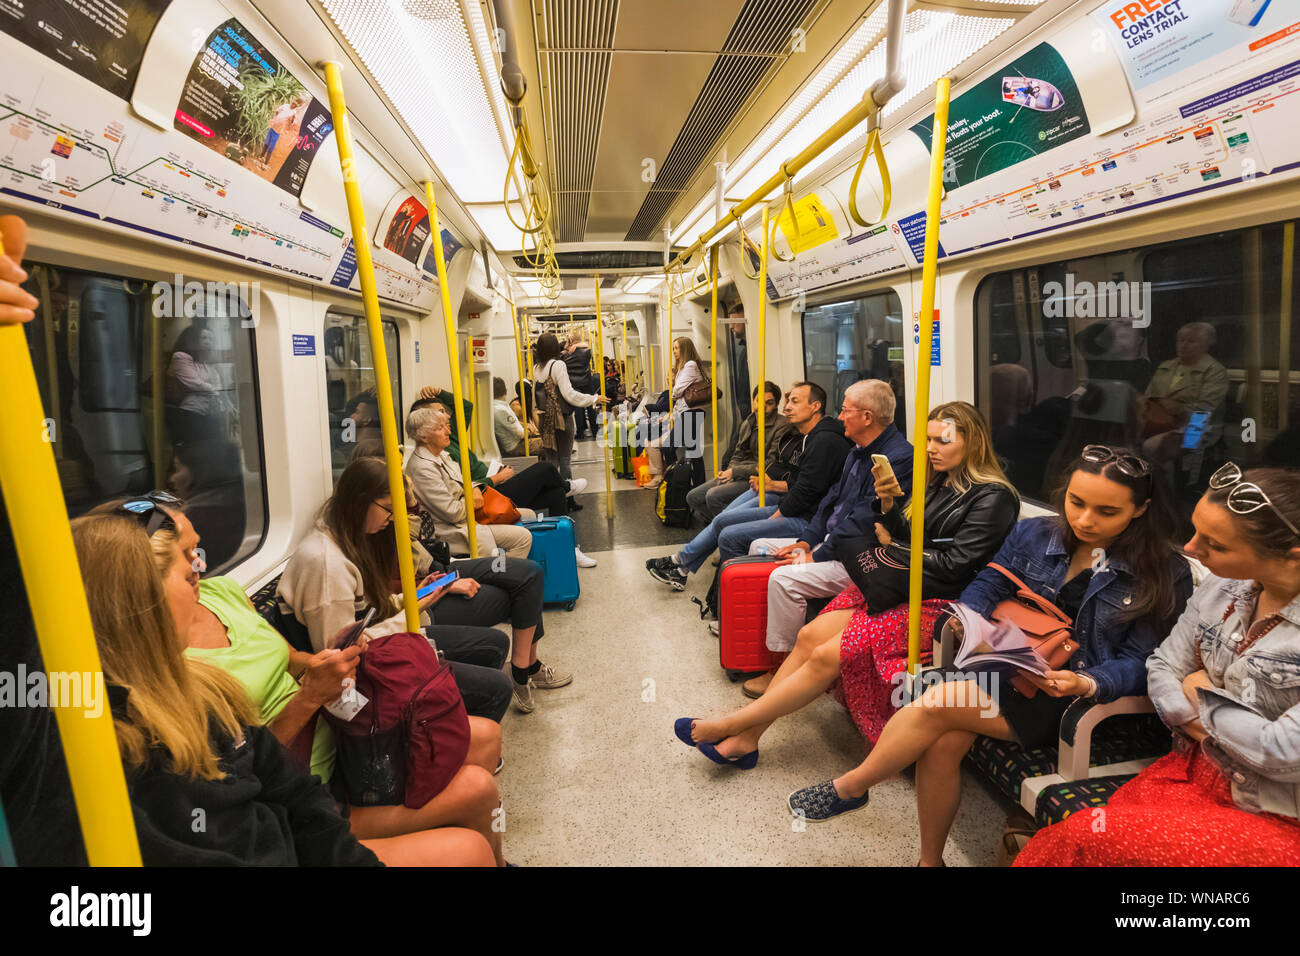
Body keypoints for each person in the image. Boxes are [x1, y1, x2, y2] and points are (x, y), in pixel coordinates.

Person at [779, 446, 1191, 868]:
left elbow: (1145, 661)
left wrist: (1088, 682)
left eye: (1106, 512)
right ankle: (929, 861)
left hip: (1068, 693)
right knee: (942, 742)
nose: (1085, 520)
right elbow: (990, 581)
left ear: (1140, 509)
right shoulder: (1038, 534)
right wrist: (968, 618)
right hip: (1009, 661)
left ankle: (852, 786)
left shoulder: (1162, 571)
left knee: (935, 705)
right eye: (1076, 503)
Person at [72, 512, 493, 866]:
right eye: (185, 562)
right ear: (140, 599)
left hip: (336, 738)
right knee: (474, 814)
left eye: (195, 550)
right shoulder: (174, 710)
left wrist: (327, 663)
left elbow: (286, 656)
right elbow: (260, 796)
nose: (199, 564)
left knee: (485, 737)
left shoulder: (220, 596)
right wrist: (310, 696)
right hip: (317, 769)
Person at [676, 402, 1018, 753]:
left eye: (942, 441)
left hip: (937, 600)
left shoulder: (993, 497)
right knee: (809, 636)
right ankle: (749, 736)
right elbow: (909, 537)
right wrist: (889, 509)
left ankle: (735, 724)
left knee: (826, 655)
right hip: (904, 582)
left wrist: (894, 546)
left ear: (972, 442)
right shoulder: (938, 483)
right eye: (928, 440)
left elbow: (955, 564)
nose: (931, 449)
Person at [1017, 463, 1300, 866]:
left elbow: (1281, 752)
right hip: (1190, 768)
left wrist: (1200, 693)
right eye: (1196, 530)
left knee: (1081, 838)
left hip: (1273, 812)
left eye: (1215, 546)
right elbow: (1163, 665)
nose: (1191, 548)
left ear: (1291, 557)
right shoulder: (1224, 588)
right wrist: (1215, 720)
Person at [277, 456, 571, 716]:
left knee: (527, 575)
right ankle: (507, 686)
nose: (394, 520)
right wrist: (415, 606)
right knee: (505, 621)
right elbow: (343, 653)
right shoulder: (327, 566)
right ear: (360, 501)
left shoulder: (353, 537)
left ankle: (524, 670)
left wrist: (419, 595)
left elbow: (376, 605)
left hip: (424, 587)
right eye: (390, 510)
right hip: (381, 650)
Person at [740, 380, 913, 673]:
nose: (840, 417)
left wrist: (815, 556)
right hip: (829, 543)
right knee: (759, 547)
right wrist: (806, 542)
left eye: (845, 411)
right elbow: (829, 502)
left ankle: (782, 669)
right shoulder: (857, 450)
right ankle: (756, 643)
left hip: (857, 556)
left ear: (867, 417)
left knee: (784, 579)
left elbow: (863, 521)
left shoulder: (898, 459)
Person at [644, 381, 850, 591]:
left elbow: (806, 490)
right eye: (787, 401)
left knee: (724, 522)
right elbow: (757, 458)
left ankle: (695, 576)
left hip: (794, 508)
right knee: (714, 510)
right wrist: (732, 471)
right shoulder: (791, 433)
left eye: (793, 402)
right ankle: (681, 565)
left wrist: (776, 506)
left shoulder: (818, 440)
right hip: (775, 490)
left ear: (815, 406)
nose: (786, 407)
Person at [409, 389, 597, 566]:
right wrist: (492, 481)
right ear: (424, 434)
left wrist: (475, 487)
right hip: (482, 498)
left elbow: (466, 407)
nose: (448, 421)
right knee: (545, 469)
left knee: (555, 494)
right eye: (440, 419)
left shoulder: (444, 449)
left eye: (445, 417)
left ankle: (568, 549)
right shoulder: (428, 463)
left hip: (482, 492)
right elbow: (453, 509)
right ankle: (506, 574)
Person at [407, 404, 533, 559]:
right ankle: (503, 576)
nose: (448, 431)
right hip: (453, 530)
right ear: (423, 436)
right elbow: (453, 513)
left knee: (529, 515)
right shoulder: (422, 468)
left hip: (468, 516)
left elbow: (462, 484)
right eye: (440, 428)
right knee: (522, 538)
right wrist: (471, 498)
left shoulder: (442, 455)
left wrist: (474, 489)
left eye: (446, 426)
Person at [687, 381, 791, 523]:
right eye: (758, 401)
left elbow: (769, 464)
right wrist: (730, 472)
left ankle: (727, 529)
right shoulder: (748, 422)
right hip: (740, 472)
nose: (762, 407)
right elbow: (738, 453)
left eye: (769, 403)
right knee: (693, 497)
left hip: (759, 476)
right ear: (753, 401)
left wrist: (736, 472)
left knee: (713, 496)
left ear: (776, 405)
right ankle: (721, 526)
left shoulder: (782, 427)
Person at [533, 332, 607, 481]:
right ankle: (568, 497)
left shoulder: (536, 368)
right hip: (561, 419)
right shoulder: (557, 365)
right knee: (564, 460)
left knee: (551, 461)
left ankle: (554, 495)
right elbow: (569, 394)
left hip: (544, 419)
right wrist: (594, 398)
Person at [168, 438, 246, 571]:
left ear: (198, 472)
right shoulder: (239, 507)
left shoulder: (191, 520)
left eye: (177, 469)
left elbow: (193, 570)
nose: (172, 478)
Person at [646, 337, 707, 483]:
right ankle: (694, 483)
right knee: (693, 451)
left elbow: (677, 390)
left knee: (670, 447)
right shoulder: (683, 367)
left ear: (685, 349)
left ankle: (677, 482)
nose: (674, 351)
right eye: (673, 348)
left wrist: (674, 391)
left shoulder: (690, 365)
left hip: (690, 413)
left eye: (677, 348)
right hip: (686, 413)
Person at [166, 323, 232, 443]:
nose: (208, 342)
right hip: (190, 413)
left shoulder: (206, 364)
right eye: (204, 338)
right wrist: (214, 391)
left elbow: (219, 385)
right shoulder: (181, 357)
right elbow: (195, 384)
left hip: (209, 413)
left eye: (211, 339)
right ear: (195, 341)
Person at [564, 333, 599, 439]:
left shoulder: (566, 354)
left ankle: (580, 433)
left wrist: (569, 345)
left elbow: (564, 349)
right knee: (591, 406)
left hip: (573, 382)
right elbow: (586, 345)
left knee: (578, 407)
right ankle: (595, 431)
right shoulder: (587, 352)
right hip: (586, 382)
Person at [494, 376, 533, 457]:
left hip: (516, 441)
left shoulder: (500, 407)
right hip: (516, 446)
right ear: (506, 390)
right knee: (548, 444)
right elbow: (521, 434)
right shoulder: (501, 410)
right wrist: (530, 429)